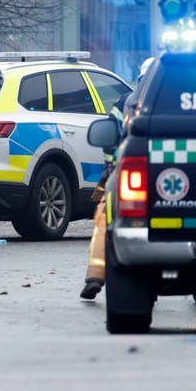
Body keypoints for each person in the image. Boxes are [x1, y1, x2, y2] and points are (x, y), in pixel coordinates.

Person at [81, 56, 155, 300]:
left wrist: (111, 167)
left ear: (141, 78)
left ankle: (95, 276)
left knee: (104, 222)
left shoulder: (126, 102)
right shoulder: (178, 99)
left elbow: (109, 139)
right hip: (172, 180)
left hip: (126, 176)